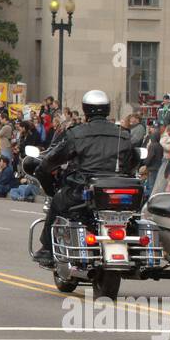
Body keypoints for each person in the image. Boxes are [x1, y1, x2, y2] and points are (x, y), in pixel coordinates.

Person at [33, 90, 140, 267]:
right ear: (107, 109)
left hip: (84, 191)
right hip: (119, 191)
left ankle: (47, 249)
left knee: (58, 199)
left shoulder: (77, 134)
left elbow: (53, 160)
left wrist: (43, 168)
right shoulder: (123, 134)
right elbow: (133, 161)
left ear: (85, 109)